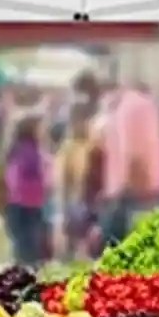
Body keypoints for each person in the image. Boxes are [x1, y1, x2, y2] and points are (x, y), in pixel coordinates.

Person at [97, 79, 159, 243]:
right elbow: (134, 157)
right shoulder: (139, 106)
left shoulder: (123, 108)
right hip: (137, 197)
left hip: (125, 196)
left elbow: (130, 156)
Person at [4, 115, 49, 266]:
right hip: (27, 205)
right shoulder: (29, 151)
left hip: (17, 204)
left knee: (21, 248)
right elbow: (22, 178)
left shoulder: (17, 149)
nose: (43, 131)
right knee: (29, 250)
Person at [55, 108, 97, 260]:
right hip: (74, 201)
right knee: (72, 243)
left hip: (88, 201)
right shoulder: (69, 147)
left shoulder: (91, 144)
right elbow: (63, 179)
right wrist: (62, 209)